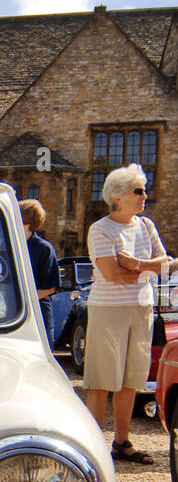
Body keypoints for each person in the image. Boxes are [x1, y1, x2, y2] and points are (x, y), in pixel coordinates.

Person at [83, 164, 171, 463]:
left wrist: (134, 264)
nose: (145, 195)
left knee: (131, 379)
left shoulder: (146, 226)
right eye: (138, 190)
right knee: (101, 380)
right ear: (117, 196)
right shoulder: (100, 229)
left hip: (142, 308)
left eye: (144, 189)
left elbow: (168, 264)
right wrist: (145, 268)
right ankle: (93, 448)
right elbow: (111, 274)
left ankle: (122, 443)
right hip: (109, 310)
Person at [19, 199, 59, 346]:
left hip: (38, 313)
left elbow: (51, 287)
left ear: (29, 222)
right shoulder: (10, 245)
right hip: (12, 314)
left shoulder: (44, 248)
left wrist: (22, 300)